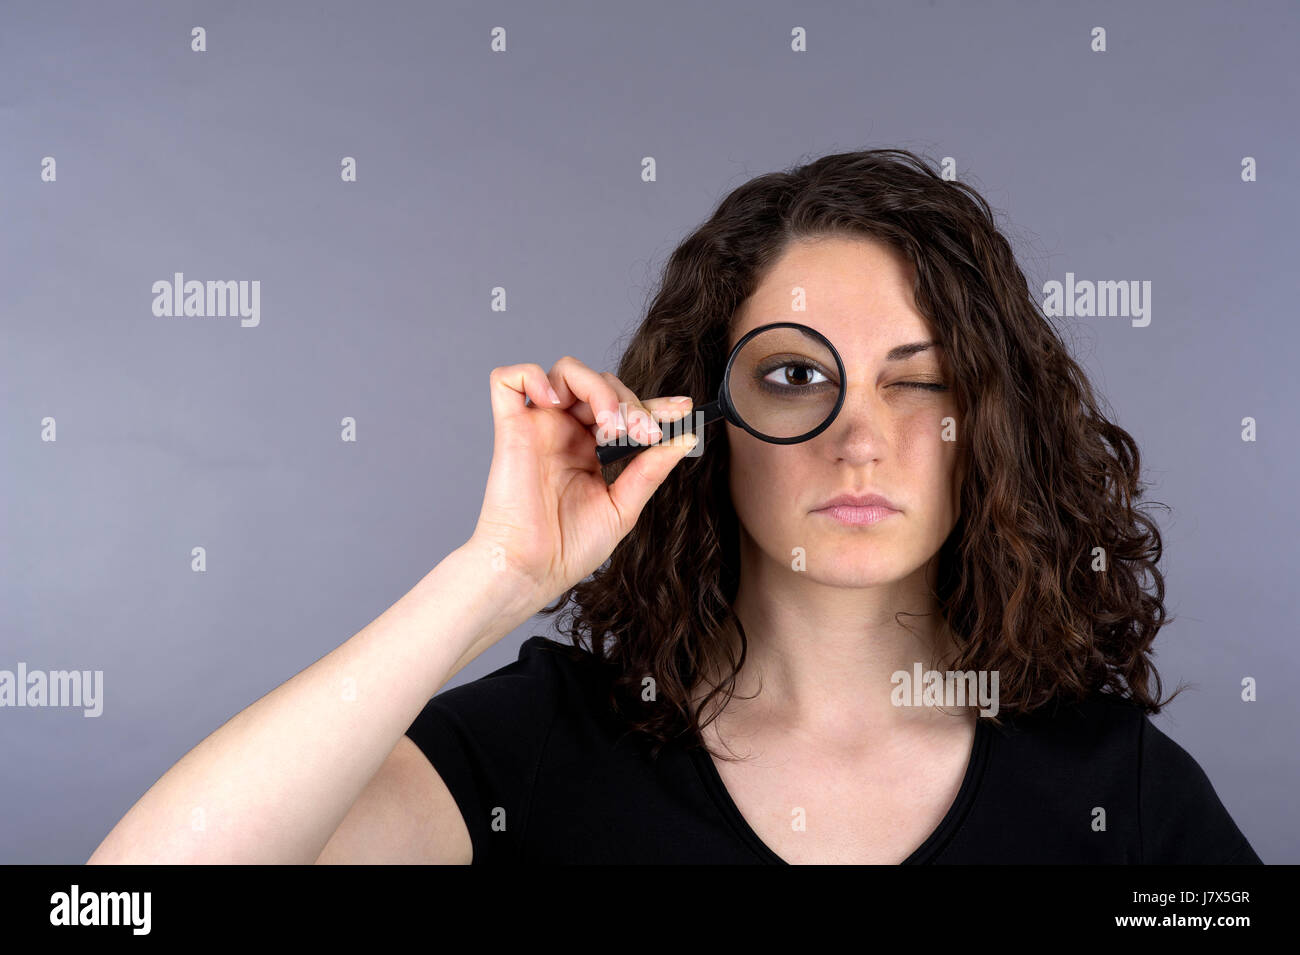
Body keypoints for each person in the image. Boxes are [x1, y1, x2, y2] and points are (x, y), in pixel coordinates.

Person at [88, 148, 1261, 865]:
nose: (860, 435)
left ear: (986, 431)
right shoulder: (543, 751)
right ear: (701, 417)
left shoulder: (1121, 794)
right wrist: (491, 575)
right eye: (797, 375)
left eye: (923, 380)